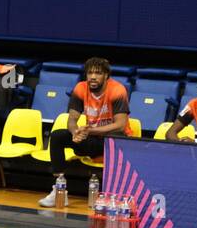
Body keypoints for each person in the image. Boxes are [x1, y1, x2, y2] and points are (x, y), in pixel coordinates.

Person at [39, 57, 134, 207]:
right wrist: (75, 132)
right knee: (57, 136)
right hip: (92, 138)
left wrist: (91, 131)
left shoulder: (117, 90)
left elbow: (120, 125)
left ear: (106, 76)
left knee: (117, 137)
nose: (93, 77)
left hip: (112, 140)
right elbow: (72, 119)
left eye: (98, 73)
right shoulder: (80, 88)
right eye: (90, 73)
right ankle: (59, 190)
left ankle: (112, 195)